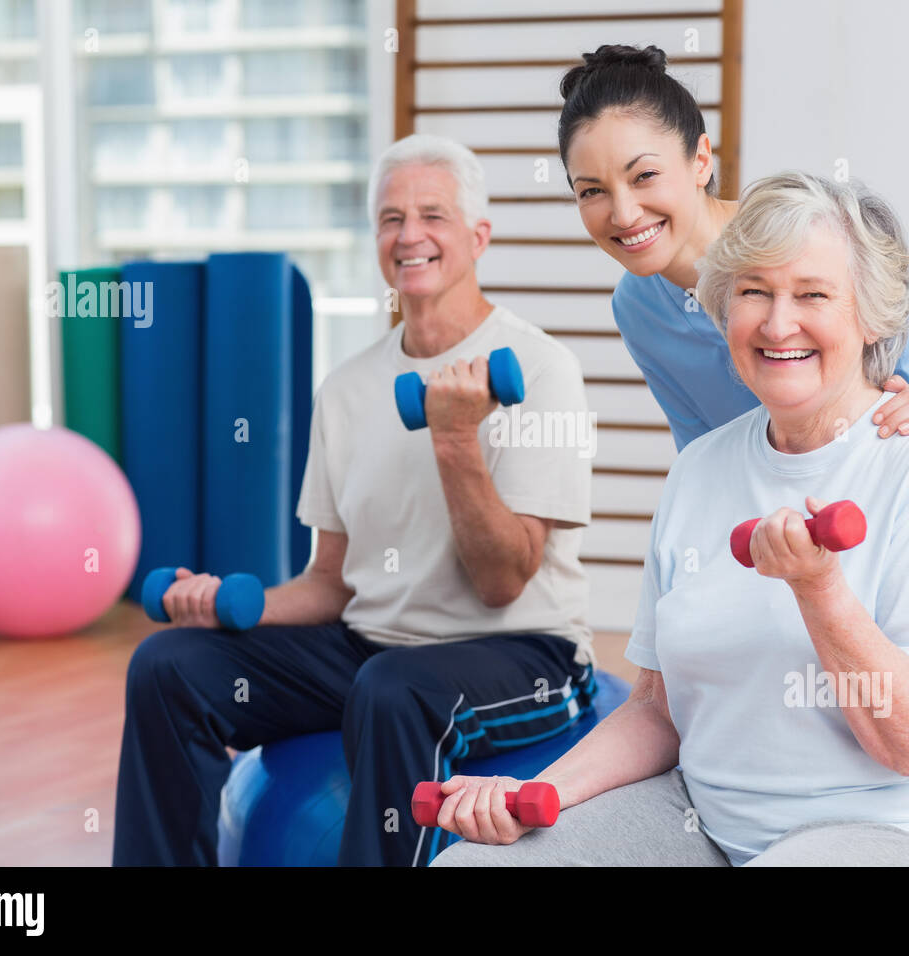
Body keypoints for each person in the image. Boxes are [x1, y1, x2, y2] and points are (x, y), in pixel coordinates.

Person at [550, 44, 909, 802]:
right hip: (828, 525)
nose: (623, 211)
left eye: (644, 176)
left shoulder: (818, 252)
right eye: (591, 191)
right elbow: (708, 454)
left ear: (701, 159)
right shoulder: (639, 307)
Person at [430, 173, 909, 866]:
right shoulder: (701, 469)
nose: (777, 323)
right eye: (753, 292)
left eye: (812, 295)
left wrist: (820, 590)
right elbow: (657, 708)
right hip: (705, 824)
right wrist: (533, 794)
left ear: (871, 318)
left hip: (903, 829)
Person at [112, 134, 596, 867]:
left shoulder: (542, 369)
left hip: (523, 655)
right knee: (166, 667)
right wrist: (224, 605)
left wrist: (456, 440)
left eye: (432, 214)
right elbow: (332, 581)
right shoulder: (347, 388)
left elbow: (503, 582)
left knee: (393, 690)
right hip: (373, 650)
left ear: (478, 235)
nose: (409, 236)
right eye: (390, 218)